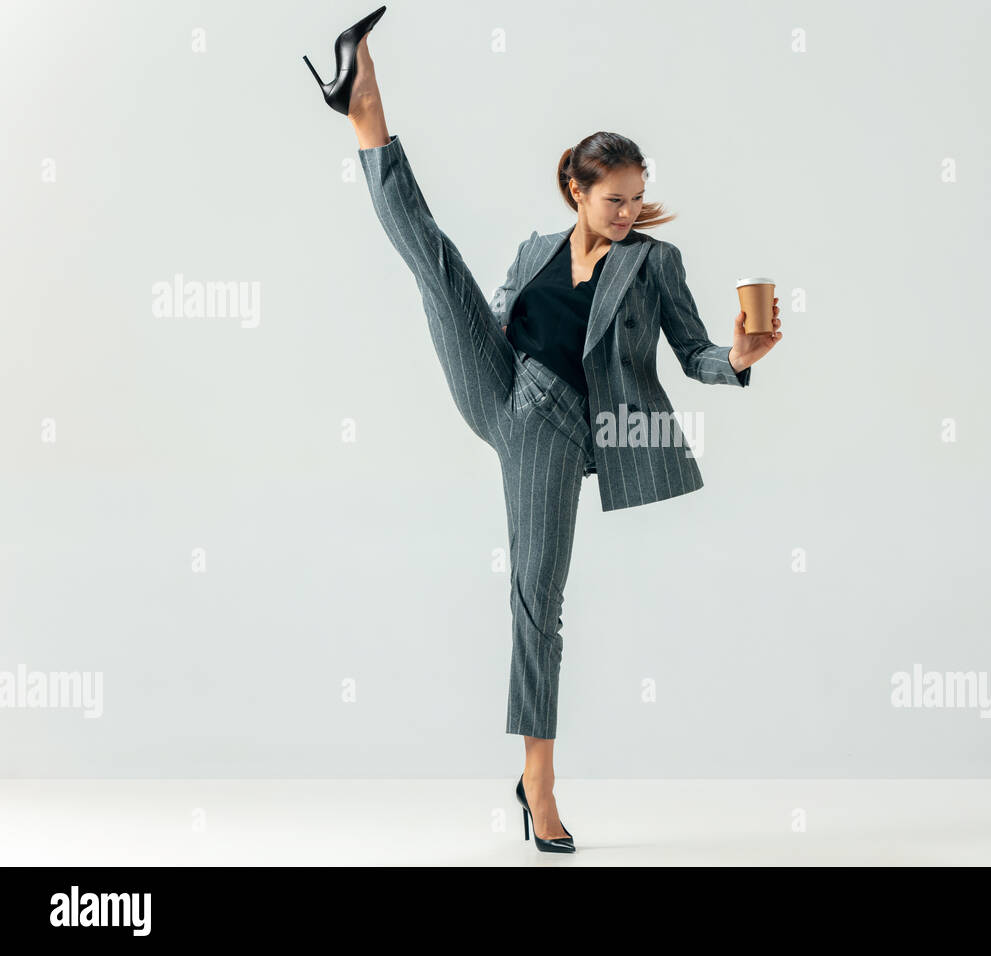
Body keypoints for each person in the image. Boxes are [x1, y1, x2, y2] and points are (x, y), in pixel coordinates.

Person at [304, 7, 782, 852]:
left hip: (557, 430)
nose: (629, 212)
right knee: (433, 263)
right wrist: (480, 326)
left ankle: (537, 780)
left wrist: (739, 355)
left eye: (637, 200)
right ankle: (364, 105)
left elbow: (696, 351)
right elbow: (496, 309)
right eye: (614, 199)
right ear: (577, 190)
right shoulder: (532, 249)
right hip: (497, 379)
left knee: (535, 598)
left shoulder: (655, 264)